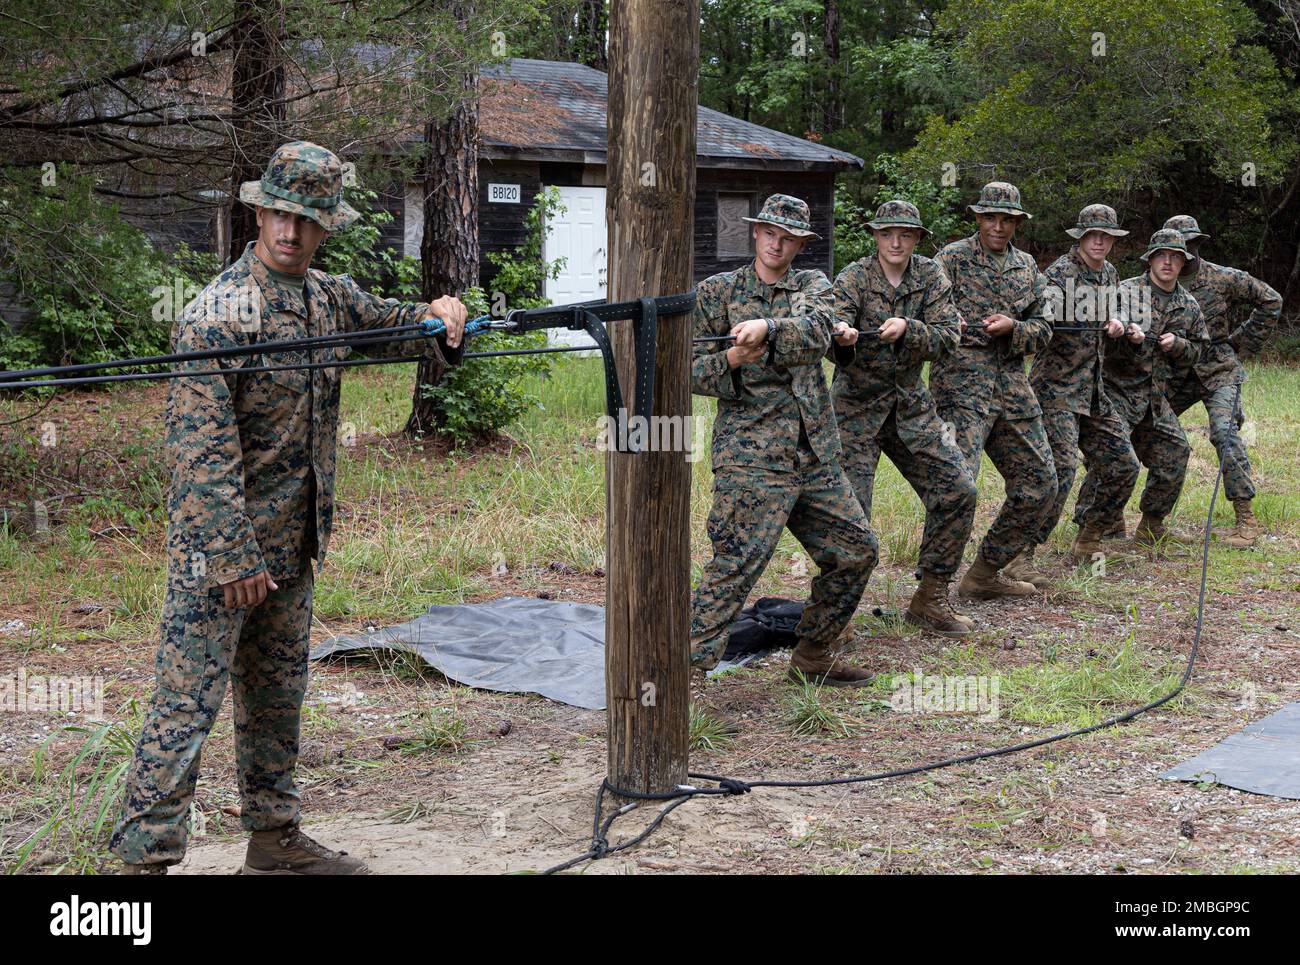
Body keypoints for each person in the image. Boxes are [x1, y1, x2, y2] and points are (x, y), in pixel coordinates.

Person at [110, 141, 468, 874]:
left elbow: (395, 323)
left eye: (306, 220)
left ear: (324, 226)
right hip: (220, 554)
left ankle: (274, 839)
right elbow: (198, 456)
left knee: (276, 700)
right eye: (280, 214)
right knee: (185, 709)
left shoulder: (326, 297)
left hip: (293, 544)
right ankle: (142, 865)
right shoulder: (216, 314)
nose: (290, 232)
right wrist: (232, 556)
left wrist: (444, 313)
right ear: (260, 210)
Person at [690, 194, 878, 686]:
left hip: (814, 453)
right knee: (735, 564)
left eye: (788, 237)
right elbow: (686, 370)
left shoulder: (812, 285)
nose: (777, 243)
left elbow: (818, 332)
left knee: (856, 551)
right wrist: (731, 362)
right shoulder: (717, 291)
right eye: (770, 232)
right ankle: (680, 677)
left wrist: (768, 329)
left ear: (800, 244)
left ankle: (813, 653)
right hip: (751, 455)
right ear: (756, 233)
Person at [829, 200, 977, 636]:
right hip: (855, 409)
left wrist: (910, 328)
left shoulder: (931, 275)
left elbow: (950, 335)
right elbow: (826, 331)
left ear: (916, 239)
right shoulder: (854, 276)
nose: (896, 242)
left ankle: (931, 597)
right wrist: (843, 337)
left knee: (958, 490)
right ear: (875, 236)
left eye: (905, 234)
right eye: (887, 233)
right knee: (849, 514)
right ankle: (836, 617)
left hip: (911, 409)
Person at [931, 182, 1057, 598]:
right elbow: (925, 314)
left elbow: (1044, 326)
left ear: (1017, 223)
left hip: (1012, 390)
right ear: (979, 218)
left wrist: (1015, 328)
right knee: (956, 487)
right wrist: (951, 327)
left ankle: (984, 572)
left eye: (1007, 220)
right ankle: (933, 589)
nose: (998, 226)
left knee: (1040, 482)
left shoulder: (1026, 266)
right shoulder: (951, 258)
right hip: (960, 388)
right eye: (990, 218)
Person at [1027, 204, 1140, 564]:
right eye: (1092, 235)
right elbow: (1039, 317)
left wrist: (1122, 322)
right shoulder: (1060, 274)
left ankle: (1089, 538)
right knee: (1059, 471)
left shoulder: (1109, 273)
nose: (1098, 242)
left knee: (1123, 463)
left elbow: (1120, 304)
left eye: (1105, 236)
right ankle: (1020, 552)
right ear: (1080, 238)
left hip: (1093, 391)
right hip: (1055, 390)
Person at [1162, 214, 1282, 547]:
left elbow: (1271, 300)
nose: (1187, 252)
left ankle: (1245, 519)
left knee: (1224, 433)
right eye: (1180, 246)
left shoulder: (1222, 277)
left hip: (1219, 368)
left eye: (1193, 244)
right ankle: (1126, 520)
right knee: (1143, 430)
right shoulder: (1156, 281)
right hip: (1176, 371)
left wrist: (1240, 342)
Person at [1081, 228, 1205, 548]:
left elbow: (1200, 351)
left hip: (1154, 396)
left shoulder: (1187, 304)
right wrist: (1124, 333)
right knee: (1112, 455)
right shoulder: (1126, 292)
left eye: (1175, 257)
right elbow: (1101, 332)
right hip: (1116, 390)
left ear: (1183, 263)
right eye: (1161, 255)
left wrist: (1179, 345)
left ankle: (1151, 524)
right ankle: (1094, 524)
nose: (1168, 262)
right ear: (1150, 259)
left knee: (1175, 451)